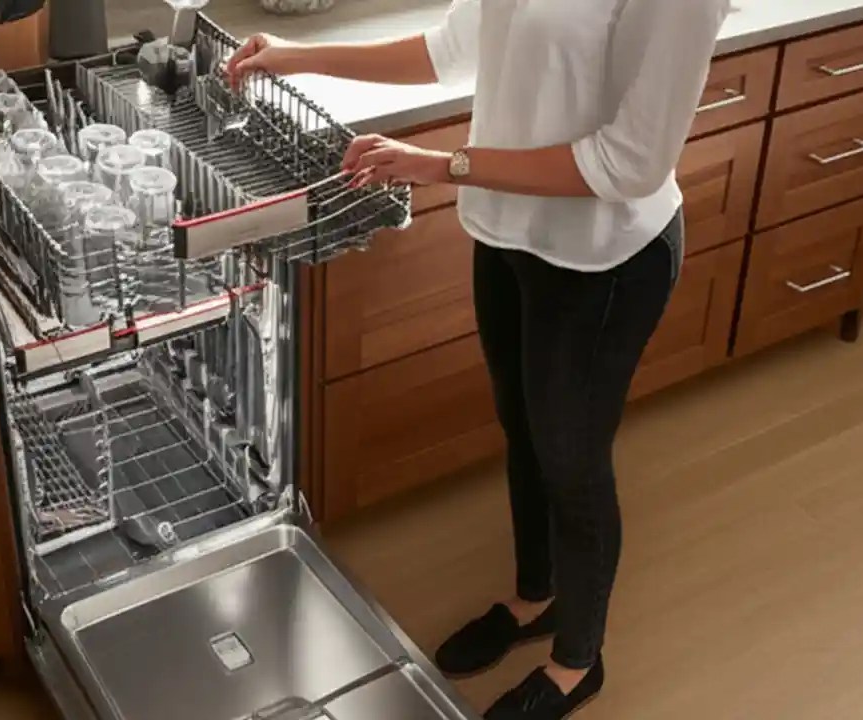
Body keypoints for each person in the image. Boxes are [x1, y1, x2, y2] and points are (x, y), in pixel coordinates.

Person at [228, 1, 731, 718]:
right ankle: (535, 598)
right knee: (523, 428)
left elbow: (631, 162)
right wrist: (294, 53)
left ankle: (577, 660)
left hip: (603, 258)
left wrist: (440, 165)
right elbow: (451, 47)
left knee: (572, 457)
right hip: (508, 231)